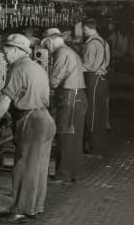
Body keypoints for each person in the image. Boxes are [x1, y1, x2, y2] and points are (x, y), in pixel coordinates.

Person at [0, 34, 56, 223]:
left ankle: (19, 210)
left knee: (24, 166)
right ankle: (34, 207)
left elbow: (5, 99)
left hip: (31, 120)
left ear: (16, 50)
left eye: (6, 51)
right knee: (39, 167)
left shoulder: (18, 68)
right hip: (45, 118)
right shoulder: (36, 67)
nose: (4, 56)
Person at [42, 27, 88, 184]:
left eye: (46, 44)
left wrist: (42, 83)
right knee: (74, 137)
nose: (46, 48)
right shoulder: (70, 51)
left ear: (51, 41)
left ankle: (63, 174)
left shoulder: (61, 53)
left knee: (65, 135)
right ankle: (74, 173)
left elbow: (54, 80)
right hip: (78, 96)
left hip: (70, 98)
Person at [81, 19, 110, 158]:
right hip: (102, 79)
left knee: (91, 114)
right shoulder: (104, 42)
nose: (83, 32)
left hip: (93, 79)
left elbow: (88, 65)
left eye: (83, 29)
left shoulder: (92, 44)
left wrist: (73, 68)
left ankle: (93, 149)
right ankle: (99, 148)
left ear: (87, 28)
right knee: (99, 114)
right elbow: (107, 61)